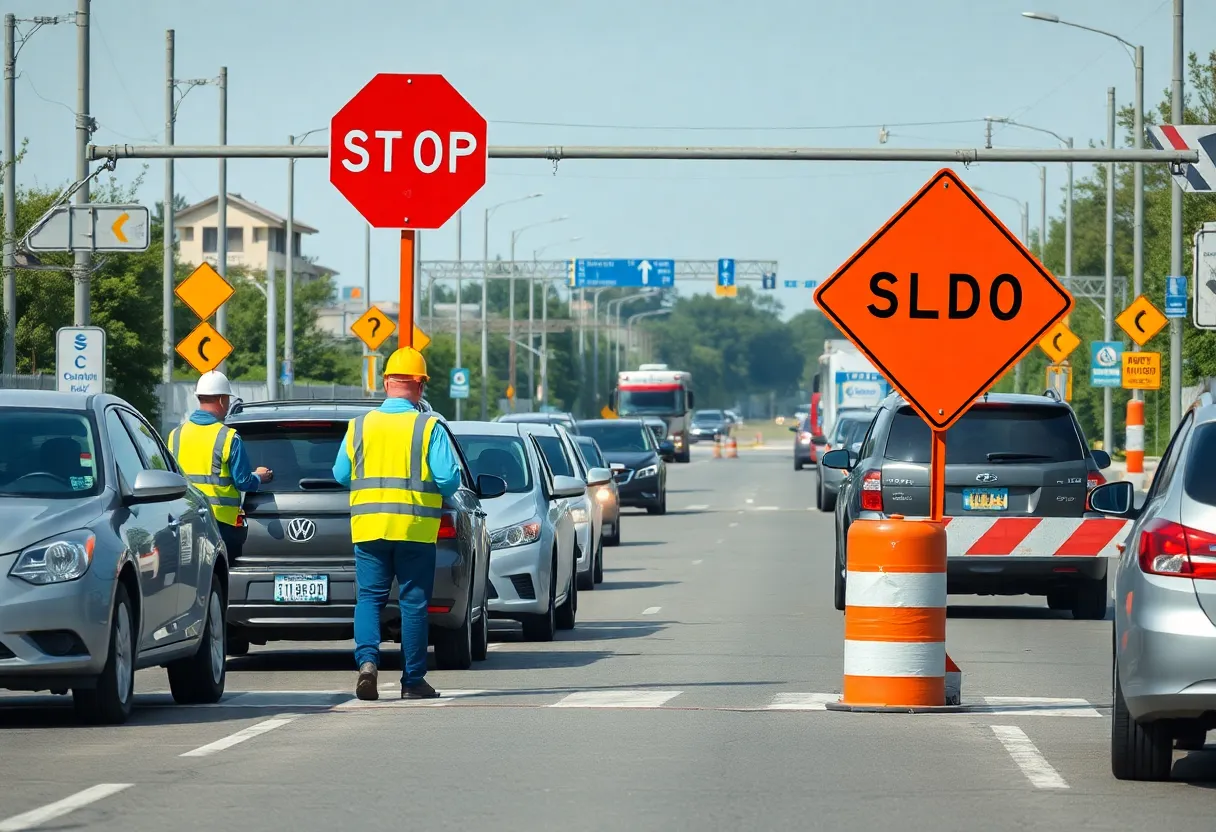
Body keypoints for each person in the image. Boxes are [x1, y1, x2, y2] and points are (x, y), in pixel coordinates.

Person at [332, 346, 462, 701]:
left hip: (369, 528)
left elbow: (340, 473)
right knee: (413, 603)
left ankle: (368, 663)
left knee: (370, 600)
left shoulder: (360, 425)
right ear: (420, 386)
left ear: (386, 382)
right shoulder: (428, 425)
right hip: (415, 530)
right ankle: (413, 681)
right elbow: (448, 480)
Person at [168, 371, 273, 560]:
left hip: (185, 522)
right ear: (222, 400)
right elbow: (243, 482)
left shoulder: (175, 435)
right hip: (221, 525)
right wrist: (259, 477)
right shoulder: (228, 437)